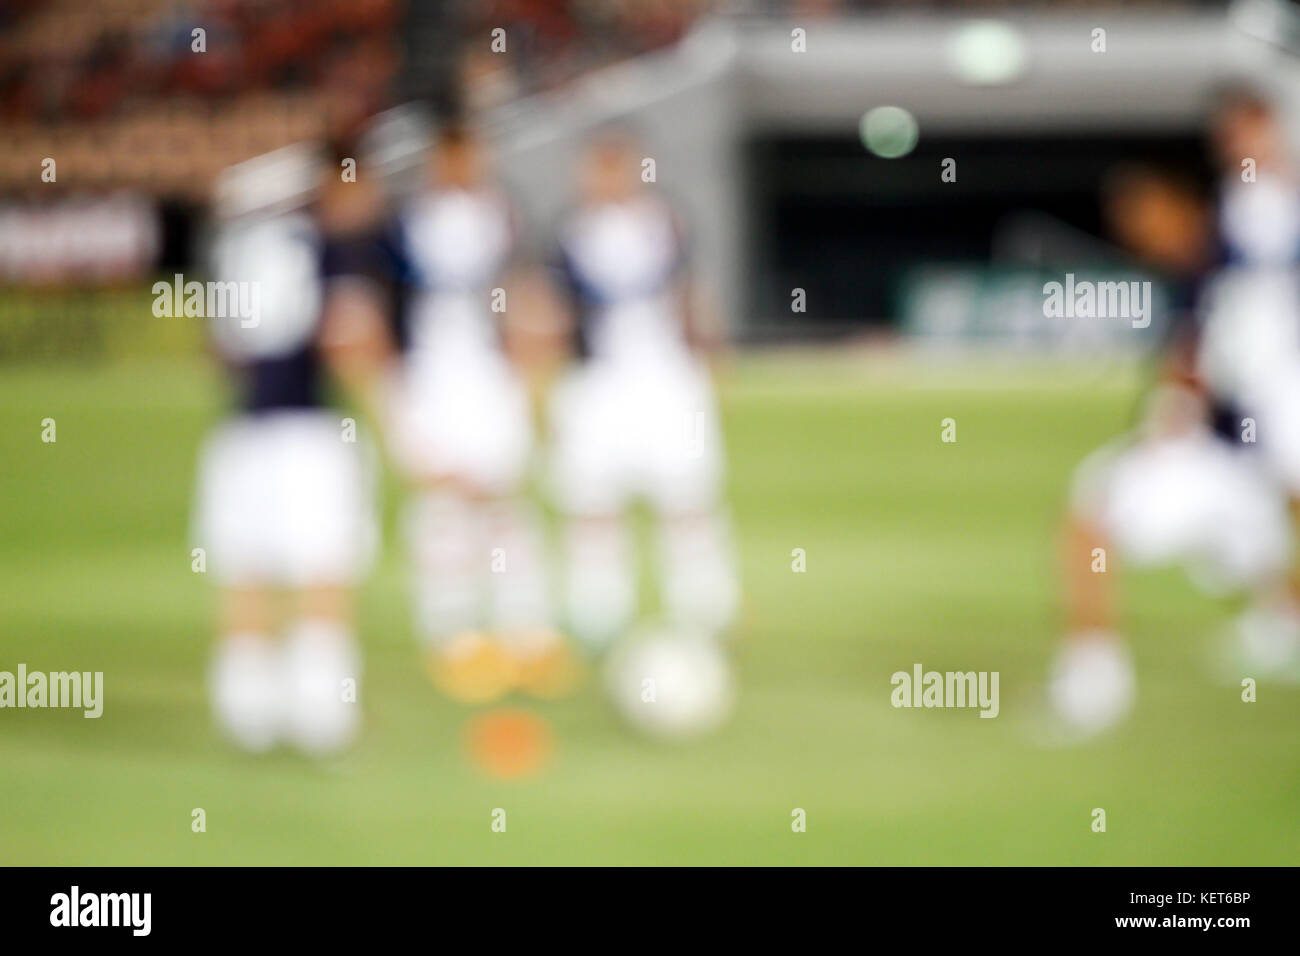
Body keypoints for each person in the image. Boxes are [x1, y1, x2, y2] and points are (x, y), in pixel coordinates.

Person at [195, 144, 374, 755]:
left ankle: (248, 719)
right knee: (323, 575)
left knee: (246, 578)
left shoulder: (229, 252)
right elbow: (349, 340)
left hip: (242, 435)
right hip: (311, 435)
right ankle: (322, 721)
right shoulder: (324, 248)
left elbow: (220, 353)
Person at [547, 127, 740, 651]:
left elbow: (690, 291)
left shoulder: (667, 223)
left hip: (666, 377)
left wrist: (711, 355)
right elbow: (547, 311)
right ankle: (597, 618)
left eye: (618, 165)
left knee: (687, 498)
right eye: (598, 166)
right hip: (596, 380)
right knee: (592, 505)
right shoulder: (567, 234)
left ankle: (705, 612)